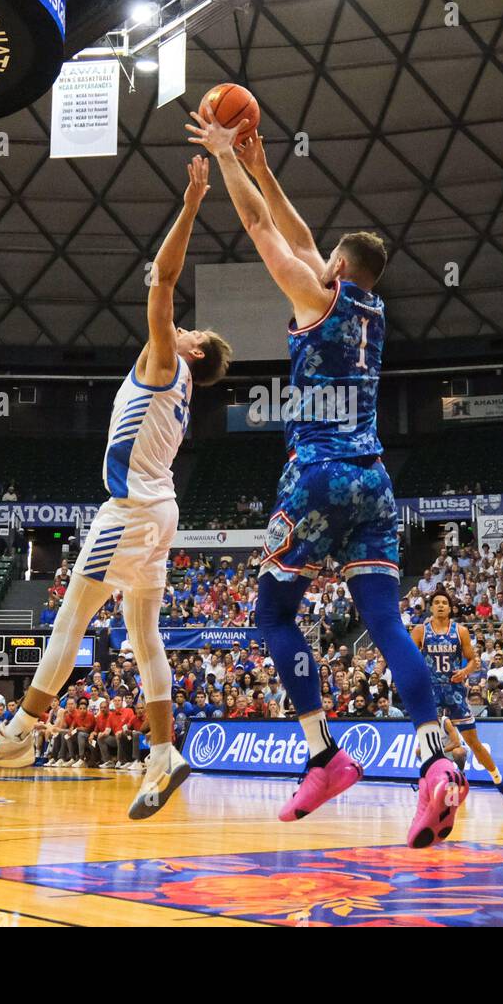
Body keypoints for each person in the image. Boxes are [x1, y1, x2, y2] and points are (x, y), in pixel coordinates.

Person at [187, 118, 468, 849]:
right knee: (385, 622)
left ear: (336, 269)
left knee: (274, 616)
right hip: (375, 481)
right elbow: (298, 228)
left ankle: (324, 754)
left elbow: (258, 225)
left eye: (327, 257)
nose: (315, 256)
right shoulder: (370, 307)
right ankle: (436, 759)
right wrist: (260, 162)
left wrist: (225, 161)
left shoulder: (316, 300)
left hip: (316, 476)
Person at [0, 158, 232, 825]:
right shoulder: (182, 383)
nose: (179, 326)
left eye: (189, 331)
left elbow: (162, 277)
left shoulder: (167, 362)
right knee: (146, 640)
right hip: (160, 510)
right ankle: (163, 752)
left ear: (192, 352)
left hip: (132, 509)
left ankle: (22, 730)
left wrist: (192, 197)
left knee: (73, 615)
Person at [412, 589, 503, 807]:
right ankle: (429, 785)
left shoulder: (459, 631)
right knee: (427, 745)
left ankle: (500, 782)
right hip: (431, 691)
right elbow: (410, 660)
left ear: (450, 608)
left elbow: (472, 661)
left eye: (444, 603)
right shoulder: (420, 631)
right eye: (436, 602)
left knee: (473, 743)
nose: (440, 605)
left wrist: (465, 672)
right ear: (431, 607)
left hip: (455, 692)